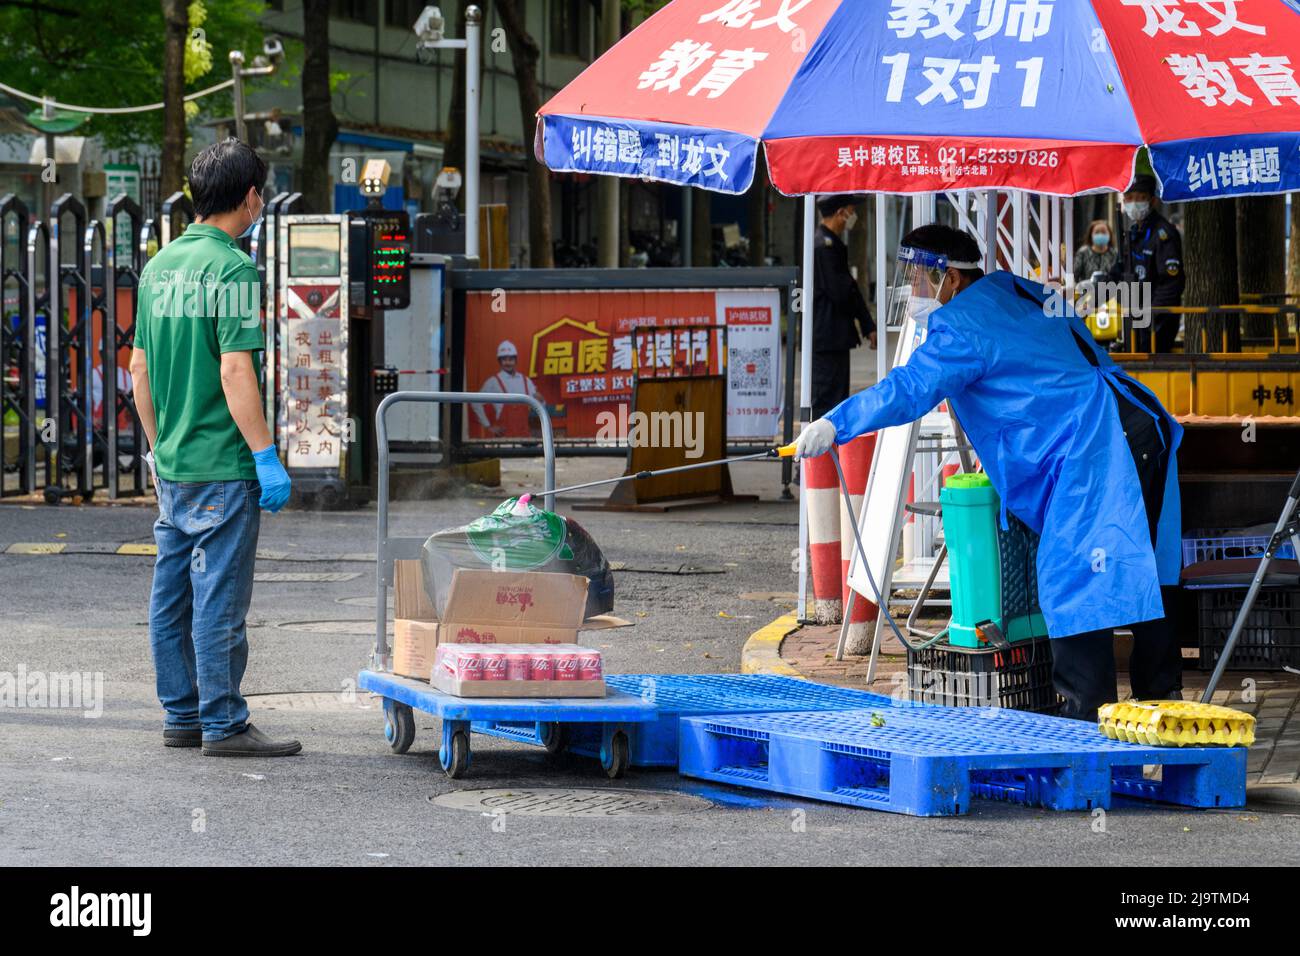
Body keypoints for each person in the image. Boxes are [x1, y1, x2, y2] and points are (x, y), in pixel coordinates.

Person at [796, 224, 1184, 720]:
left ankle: (1087, 721)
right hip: (1135, 421)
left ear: (951, 279)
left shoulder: (959, 327)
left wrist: (837, 422)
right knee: (1142, 568)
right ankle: (1161, 708)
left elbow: (908, 389)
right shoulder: (1020, 288)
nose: (913, 290)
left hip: (1094, 444)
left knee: (1077, 573)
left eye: (919, 278)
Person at [129, 138, 301, 757]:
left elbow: (138, 371)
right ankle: (223, 722)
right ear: (252, 198)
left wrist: (157, 447)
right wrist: (264, 455)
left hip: (173, 466)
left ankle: (181, 715)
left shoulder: (158, 268)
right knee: (219, 599)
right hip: (222, 468)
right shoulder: (231, 267)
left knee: (171, 594)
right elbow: (235, 371)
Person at [811, 194, 876, 419]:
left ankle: (833, 452)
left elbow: (848, 290)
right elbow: (843, 291)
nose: (853, 217)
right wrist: (867, 323)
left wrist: (867, 324)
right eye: (851, 210)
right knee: (827, 400)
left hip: (833, 336)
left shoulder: (831, 243)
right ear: (841, 213)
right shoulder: (823, 246)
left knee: (836, 398)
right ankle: (823, 454)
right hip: (827, 336)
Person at [1109, 173, 1184, 353]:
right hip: (1135, 317)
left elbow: (1171, 283)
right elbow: (1119, 269)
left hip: (1156, 323)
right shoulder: (1134, 233)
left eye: (1140, 198)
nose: (1133, 203)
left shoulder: (1163, 233)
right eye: (1129, 198)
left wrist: (1152, 315)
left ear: (1152, 201)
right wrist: (1092, 296)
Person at [473, 339, 542, 438]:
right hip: (504, 439)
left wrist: (541, 400)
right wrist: (488, 426)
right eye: (504, 359)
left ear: (515, 360)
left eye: (511, 359)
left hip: (525, 437)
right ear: (500, 361)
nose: (508, 363)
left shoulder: (525, 380)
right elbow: (475, 402)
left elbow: (539, 403)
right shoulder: (493, 381)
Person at [1073, 219, 1118, 283]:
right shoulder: (1083, 252)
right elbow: (1074, 275)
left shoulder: (1115, 253)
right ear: (1091, 235)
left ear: (1109, 234)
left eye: (1103, 232)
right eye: (1097, 232)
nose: (1100, 235)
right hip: (1087, 291)